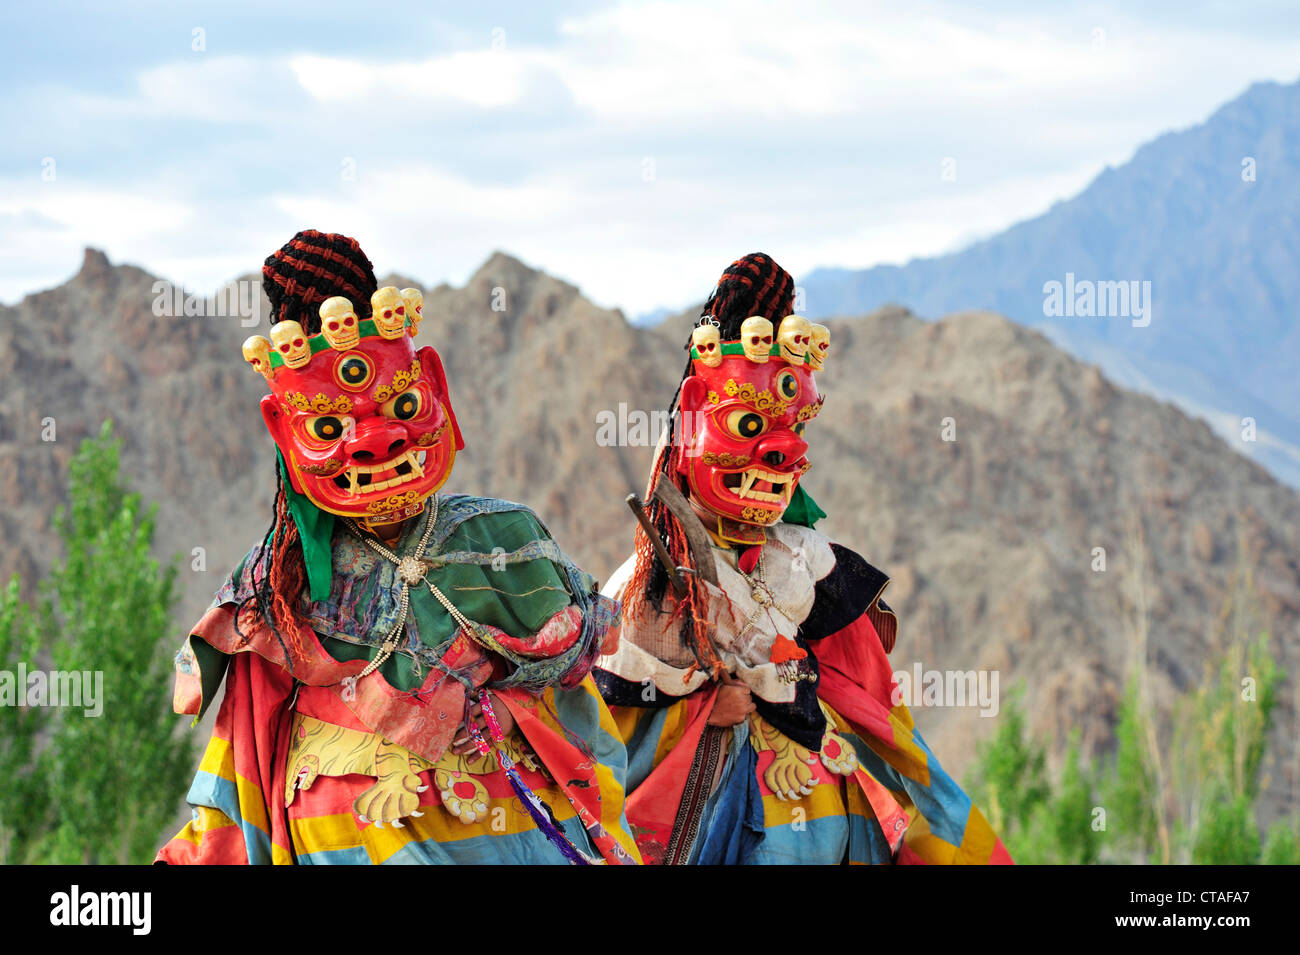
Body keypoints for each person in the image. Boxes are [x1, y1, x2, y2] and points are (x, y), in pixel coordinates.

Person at [158, 230, 639, 864]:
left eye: (401, 404)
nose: (374, 442)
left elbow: (576, 708)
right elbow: (244, 747)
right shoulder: (275, 579)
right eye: (329, 427)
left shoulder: (501, 537)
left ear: (434, 385)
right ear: (283, 428)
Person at [593, 252, 1011, 865]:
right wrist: (705, 709)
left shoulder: (802, 558)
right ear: (690, 426)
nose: (781, 456)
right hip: (720, 796)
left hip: (821, 768)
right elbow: (611, 737)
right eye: (745, 426)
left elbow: (863, 683)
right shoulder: (646, 587)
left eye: (792, 433)